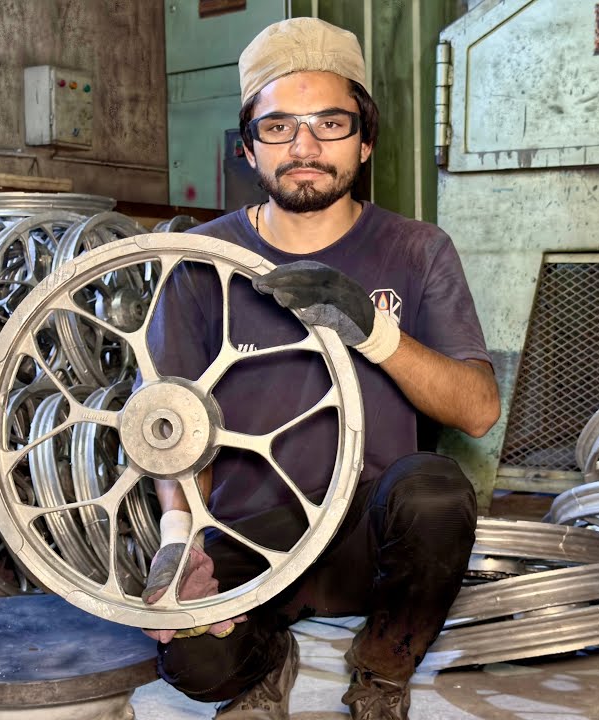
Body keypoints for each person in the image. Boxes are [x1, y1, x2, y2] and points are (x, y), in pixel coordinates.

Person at [138, 17, 500, 720]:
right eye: (278, 127)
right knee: (194, 662)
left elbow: (478, 411)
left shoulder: (418, 249)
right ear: (248, 147)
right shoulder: (200, 261)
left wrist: (374, 330)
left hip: (370, 532)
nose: (304, 147)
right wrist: (179, 540)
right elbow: (168, 422)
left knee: (435, 491)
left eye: (330, 124)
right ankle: (268, 656)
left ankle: (384, 667)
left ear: (364, 142)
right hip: (249, 534)